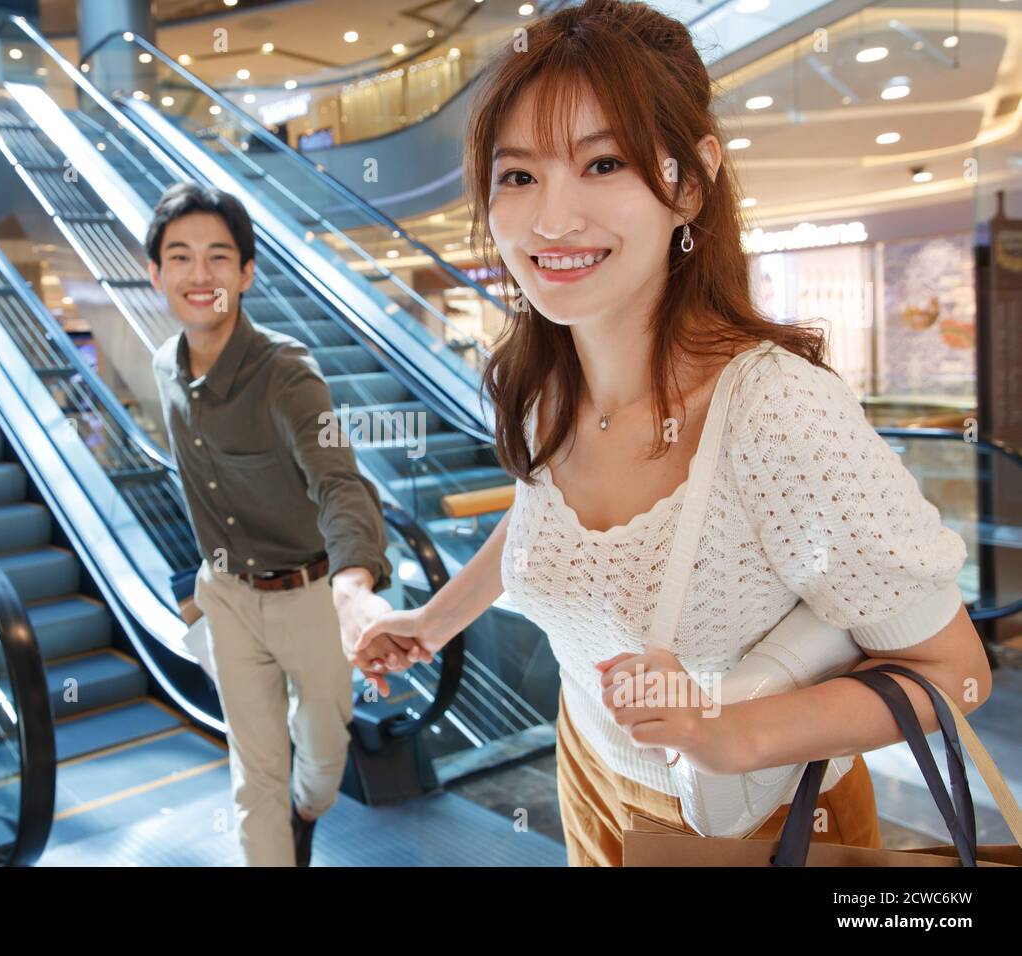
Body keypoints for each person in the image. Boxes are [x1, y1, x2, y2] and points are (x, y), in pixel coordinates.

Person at [357, 0, 991, 866]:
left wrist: (732, 734)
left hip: (751, 819)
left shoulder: (775, 414)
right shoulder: (548, 384)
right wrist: (434, 620)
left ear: (690, 183)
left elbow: (955, 672)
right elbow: (545, 521)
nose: (550, 220)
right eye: (519, 176)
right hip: (585, 771)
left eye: (603, 162)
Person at [145, 182, 421, 866]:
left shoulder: (288, 374)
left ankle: (309, 811)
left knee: (323, 754)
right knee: (254, 774)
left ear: (246, 273)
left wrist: (356, 586)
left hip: (311, 595)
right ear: (155, 274)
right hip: (228, 599)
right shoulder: (163, 367)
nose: (199, 275)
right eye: (179, 257)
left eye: (218, 257)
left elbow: (340, 482)